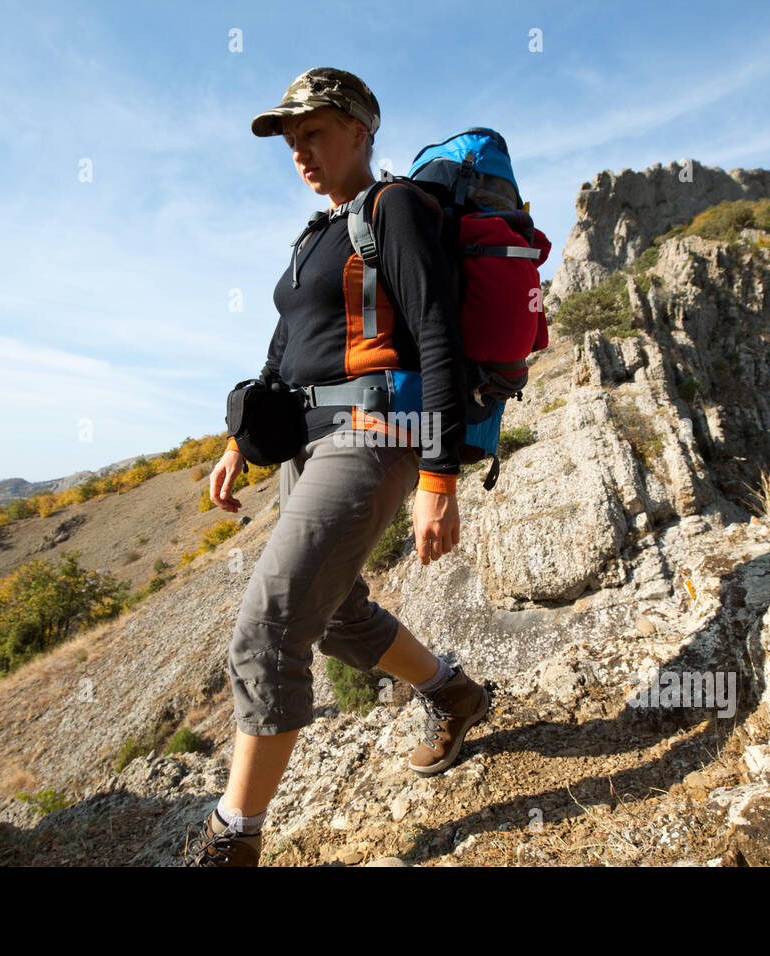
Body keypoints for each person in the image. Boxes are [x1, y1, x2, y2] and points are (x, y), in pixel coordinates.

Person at [183, 67, 490, 867]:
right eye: (291, 141)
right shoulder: (316, 236)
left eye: (313, 133)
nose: (299, 151)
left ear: (361, 130)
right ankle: (453, 693)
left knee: (270, 627)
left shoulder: (394, 210)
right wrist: (239, 446)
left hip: (376, 433)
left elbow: (436, 336)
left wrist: (439, 477)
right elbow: (283, 355)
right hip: (305, 444)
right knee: (337, 614)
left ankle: (232, 840)